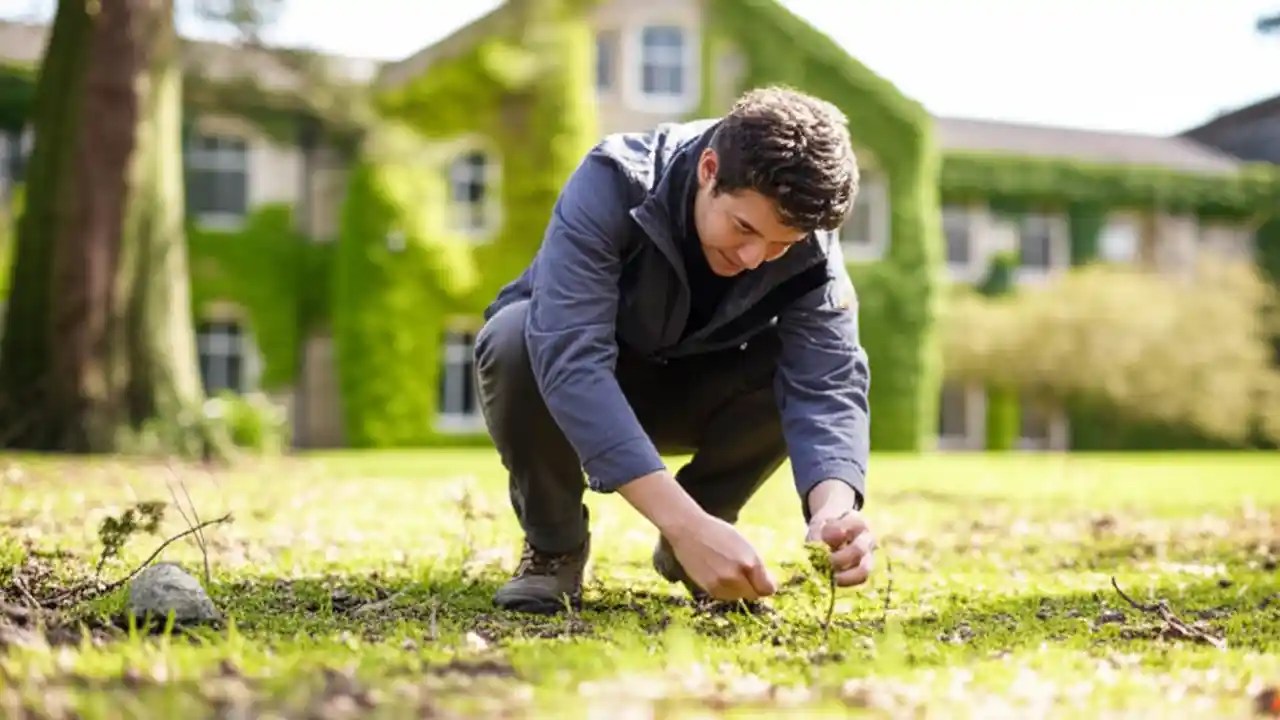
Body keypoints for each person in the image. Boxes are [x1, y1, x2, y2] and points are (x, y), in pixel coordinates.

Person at [473, 85, 875, 614]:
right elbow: (570, 359)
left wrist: (833, 510)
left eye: (781, 244)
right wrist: (680, 522)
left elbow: (827, 382)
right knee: (514, 336)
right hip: (580, 388)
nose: (757, 257)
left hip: (699, 393)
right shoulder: (613, 180)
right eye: (743, 228)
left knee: (796, 362)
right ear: (710, 169)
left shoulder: (811, 240)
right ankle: (555, 547)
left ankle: (703, 536)